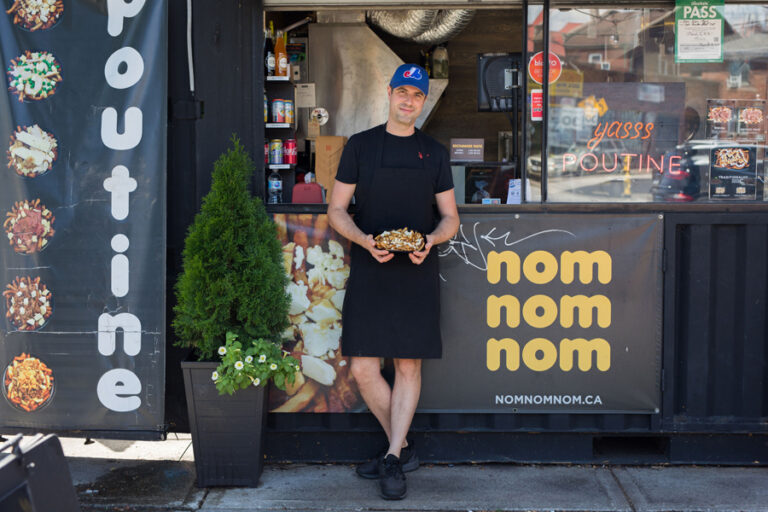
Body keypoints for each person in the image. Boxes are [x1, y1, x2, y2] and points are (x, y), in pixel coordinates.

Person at [327, 64, 460, 500]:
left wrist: (431, 241)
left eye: (416, 95)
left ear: (423, 102)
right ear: (389, 93)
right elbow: (337, 210)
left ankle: (390, 461)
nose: (408, 100)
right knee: (364, 368)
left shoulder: (434, 153)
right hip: (371, 265)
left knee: (408, 365)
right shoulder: (360, 147)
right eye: (402, 92)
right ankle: (401, 448)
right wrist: (365, 241)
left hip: (417, 270)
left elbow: (450, 219)